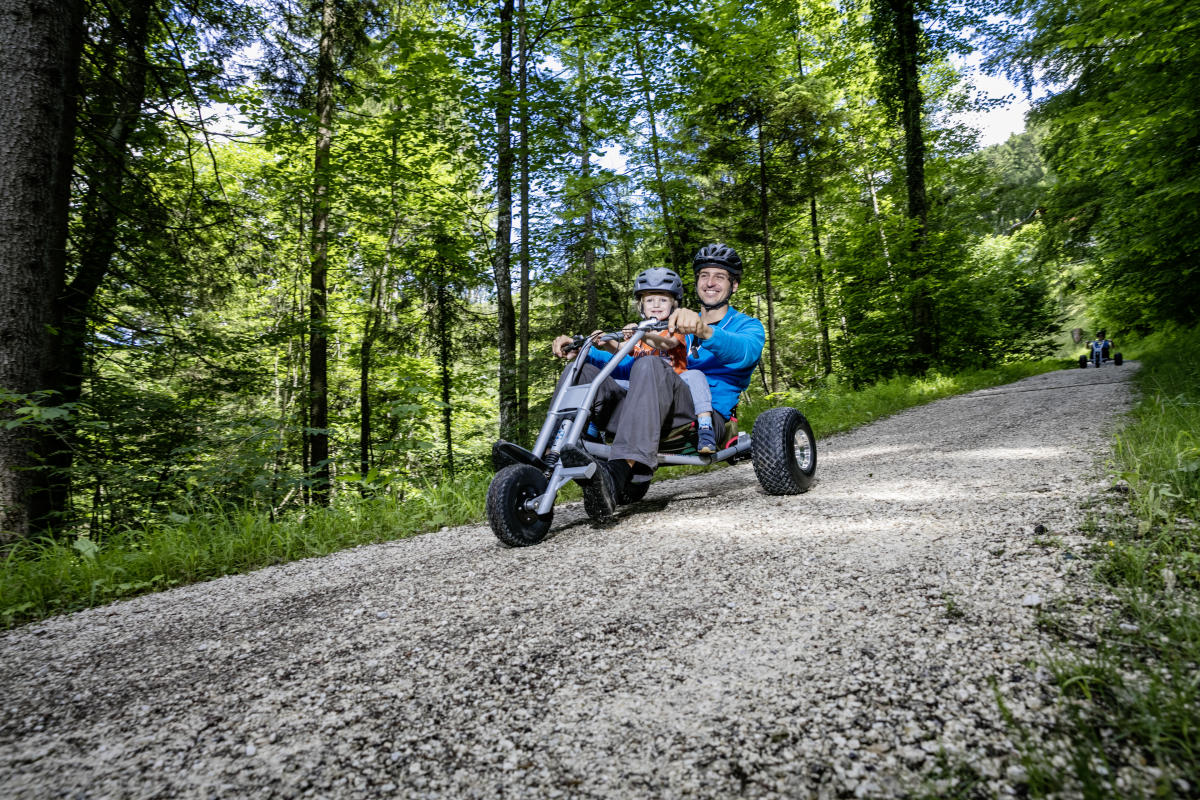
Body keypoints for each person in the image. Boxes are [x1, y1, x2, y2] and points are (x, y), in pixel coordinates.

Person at [550, 243, 765, 517]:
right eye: (704, 276)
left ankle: (616, 476)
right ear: (696, 282)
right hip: (645, 408)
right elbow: (627, 367)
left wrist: (704, 331)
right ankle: (552, 457)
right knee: (581, 371)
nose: (710, 283)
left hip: (699, 417)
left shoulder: (747, 326)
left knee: (650, 364)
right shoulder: (668, 322)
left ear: (733, 286)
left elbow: (744, 354)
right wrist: (584, 351)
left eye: (719, 277)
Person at [595, 267, 720, 454]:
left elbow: (666, 344)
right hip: (643, 389)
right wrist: (604, 341)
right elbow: (621, 350)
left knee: (695, 375)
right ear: (641, 306)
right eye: (650, 300)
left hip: (675, 386)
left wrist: (642, 335)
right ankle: (595, 432)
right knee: (606, 384)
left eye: (663, 300)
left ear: (673, 305)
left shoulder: (674, 328)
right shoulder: (639, 332)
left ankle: (705, 427)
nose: (656, 304)